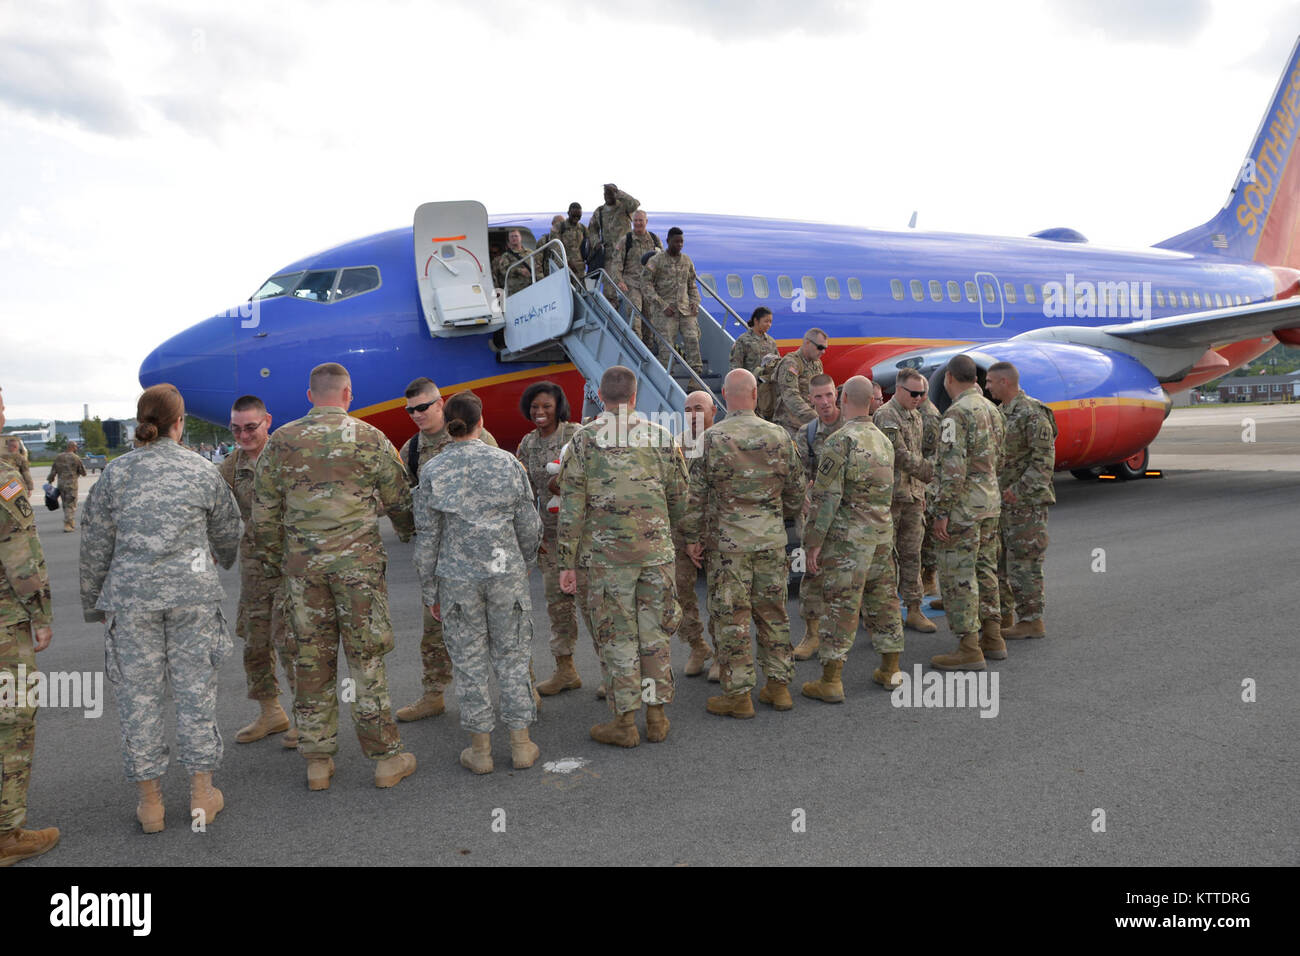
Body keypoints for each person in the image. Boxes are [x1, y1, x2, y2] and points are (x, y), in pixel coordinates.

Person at [80, 383, 242, 832]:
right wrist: (216, 559)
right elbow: (229, 531)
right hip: (191, 597)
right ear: (179, 423)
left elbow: (94, 545)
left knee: (139, 699)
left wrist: (96, 604)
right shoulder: (201, 470)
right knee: (195, 695)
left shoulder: (115, 474)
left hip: (131, 603)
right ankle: (200, 794)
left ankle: (151, 803)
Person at [252, 363, 417, 791]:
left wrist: (279, 562)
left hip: (303, 574)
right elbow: (400, 499)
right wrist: (406, 533)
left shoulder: (281, 441)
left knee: (311, 663)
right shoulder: (370, 438)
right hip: (358, 572)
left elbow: (263, 514)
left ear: (311, 396)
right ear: (348, 394)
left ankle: (318, 763)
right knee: (366, 662)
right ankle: (384, 760)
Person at [557, 366, 687, 747]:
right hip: (655, 555)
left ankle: (625, 723)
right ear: (635, 397)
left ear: (600, 395)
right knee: (654, 635)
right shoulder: (661, 437)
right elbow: (681, 499)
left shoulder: (583, 441)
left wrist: (567, 562)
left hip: (606, 559)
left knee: (617, 638)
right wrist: (676, 538)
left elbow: (571, 507)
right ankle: (657, 715)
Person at [414, 391, 543, 774]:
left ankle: (481, 750)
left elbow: (427, 541)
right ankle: (521, 744)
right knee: (513, 657)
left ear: (448, 423)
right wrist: (524, 565)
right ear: (480, 420)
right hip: (505, 576)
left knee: (469, 663)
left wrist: (430, 591)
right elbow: (529, 527)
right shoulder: (508, 463)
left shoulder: (434, 470)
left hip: (457, 581)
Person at [683, 369, 803, 717]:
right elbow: (796, 493)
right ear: (754, 393)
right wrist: (776, 517)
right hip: (770, 542)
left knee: (732, 619)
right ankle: (779, 688)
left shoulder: (711, 438)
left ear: (723, 394)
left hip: (728, 546)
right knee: (774, 614)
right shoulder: (779, 436)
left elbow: (695, 499)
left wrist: (693, 540)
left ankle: (738, 696)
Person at [395, 377, 500, 722]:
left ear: (440, 404)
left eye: (423, 407)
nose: (416, 415)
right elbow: (406, 502)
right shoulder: (410, 451)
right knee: (434, 631)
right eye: (410, 410)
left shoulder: (479, 437)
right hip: (441, 560)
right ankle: (433, 694)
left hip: (483, 554)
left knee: (498, 627)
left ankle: (521, 688)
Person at [800, 376, 904, 699]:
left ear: (843, 400)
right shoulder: (883, 440)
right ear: (872, 402)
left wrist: (813, 542)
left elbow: (826, 498)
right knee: (885, 600)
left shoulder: (840, 441)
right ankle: (891, 669)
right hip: (882, 535)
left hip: (849, 541)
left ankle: (831, 680)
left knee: (842, 605)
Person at [0, 384, 59, 865]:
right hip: (3, 623)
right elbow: (20, 556)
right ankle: (6, 833)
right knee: (13, 722)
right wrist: (40, 613)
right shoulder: (3, 478)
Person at [220, 395, 298, 747]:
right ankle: (271, 712)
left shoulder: (287, 457)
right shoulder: (230, 466)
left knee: (291, 643)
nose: (244, 435)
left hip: (288, 564)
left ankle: (306, 717)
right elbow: (216, 514)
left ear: (267, 420)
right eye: (236, 428)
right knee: (254, 643)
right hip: (253, 569)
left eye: (251, 427)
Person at [929, 355, 1006, 671]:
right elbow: (1000, 457)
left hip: (963, 509)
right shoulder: (991, 408)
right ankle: (993, 638)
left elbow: (952, 470)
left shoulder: (955, 414)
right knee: (985, 570)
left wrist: (941, 512)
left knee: (959, 576)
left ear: (949, 378)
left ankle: (969, 648)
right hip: (989, 504)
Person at [514, 382, 584, 697]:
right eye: (534, 407)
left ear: (559, 406)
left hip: (585, 535)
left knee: (599, 607)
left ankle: (616, 673)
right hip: (551, 538)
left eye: (546, 406)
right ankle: (566, 669)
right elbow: (523, 492)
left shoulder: (576, 435)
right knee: (558, 605)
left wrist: (565, 483)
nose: (540, 412)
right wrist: (533, 534)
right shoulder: (527, 444)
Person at [986, 362, 1057, 640]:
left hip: (1025, 503)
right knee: (1004, 561)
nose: (987, 386)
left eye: (991, 382)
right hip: (1004, 502)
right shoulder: (1003, 413)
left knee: (1025, 561)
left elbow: (1043, 462)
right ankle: (1008, 615)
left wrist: (1019, 490)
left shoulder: (1032, 413)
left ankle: (1031, 620)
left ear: (1005, 382)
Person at [874, 368, 937, 634]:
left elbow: (918, 451)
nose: (919, 398)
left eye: (923, 393)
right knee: (887, 559)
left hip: (912, 496)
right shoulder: (886, 416)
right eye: (914, 393)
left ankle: (913, 609)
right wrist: (932, 472)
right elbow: (899, 455)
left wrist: (922, 490)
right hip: (891, 499)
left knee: (912, 555)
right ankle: (886, 614)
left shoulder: (915, 416)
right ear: (899, 390)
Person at [792, 373, 843, 661]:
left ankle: (876, 627)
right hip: (818, 513)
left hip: (850, 513)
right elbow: (798, 474)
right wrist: (803, 498)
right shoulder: (807, 433)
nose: (824, 402)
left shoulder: (852, 426)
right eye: (818, 397)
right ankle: (812, 634)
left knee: (866, 574)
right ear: (810, 399)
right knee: (811, 573)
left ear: (837, 394)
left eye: (828, 395)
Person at [674, 390, 718, 679]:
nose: (693, 414)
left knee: (720, 595)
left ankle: (722, 653)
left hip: (716, 530)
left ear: (713, 411)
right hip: (683, 532)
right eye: (688, 409)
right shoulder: (676, 444)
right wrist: (688, 537)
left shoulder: (724, 442)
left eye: (699, 408)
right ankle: (697, 645)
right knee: (680, 593)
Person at [642, 227, 703, 375]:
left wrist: (695, 302)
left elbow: (692, 285)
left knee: (692, 340)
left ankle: (696, 378)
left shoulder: (686, 261)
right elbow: (645, 285)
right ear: (668, 241)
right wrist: (662, 305)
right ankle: (667, 375)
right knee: (666, 347)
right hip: (665, 313)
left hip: (685, 310)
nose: (679, 245)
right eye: (676, 242)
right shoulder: (656, 261)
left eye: (681, 242)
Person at [608, 210, 661, 341]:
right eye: (635, 220)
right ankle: (637, 348)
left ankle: (648, 348)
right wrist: (619, 281)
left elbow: (662, 262)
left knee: (650, 319)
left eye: (640, 221)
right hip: (631, 284)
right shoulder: (626, 240)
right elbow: (616, 263)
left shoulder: (654, 240)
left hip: (649, 285)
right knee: (635, 315)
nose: (637, 223)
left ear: (646, 222)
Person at [773, 329, 829, 437]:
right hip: (790, 426)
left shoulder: (817, 364)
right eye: (820, 347)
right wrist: (816, 418)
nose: (823, 352)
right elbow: (790, 396)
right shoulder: (791, 363)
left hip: (809, 425)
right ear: (807, 343)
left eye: (825, 348)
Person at [919, 395, 942, 600]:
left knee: (928, 535)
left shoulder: (929, 416)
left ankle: (929, 578)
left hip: (928, 481)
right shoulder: (916, 412)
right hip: (920, 478)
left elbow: (930, 453)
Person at [587, 183, 640, 271]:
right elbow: (592, 230)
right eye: (606, 193)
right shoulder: (599, 211)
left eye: (610, 192)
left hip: (626, 255)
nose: (608, 195)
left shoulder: (624, 207)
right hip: (608, 258)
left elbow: (634, 205)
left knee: (627, 283)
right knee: (609, 283)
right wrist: (596, 243)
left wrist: (618, 192)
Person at [48, 441, 86, 532]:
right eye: (76, 447)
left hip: (61, 484)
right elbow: (83, 472)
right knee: (71, 504)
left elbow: (53, 472)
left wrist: (50, 481)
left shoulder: (59, 457)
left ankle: (71, 521)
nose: (76, 449)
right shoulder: (75, 458)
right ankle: (68, 524)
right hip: (71, 485)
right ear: (73, 447)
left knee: (65, 504)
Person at [730, 307, 778, 374]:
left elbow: (777, 364)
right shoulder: (743, 341)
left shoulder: (771, 342)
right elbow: (735, 367)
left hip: (767, 383)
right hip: (748, 382)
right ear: (756, 321)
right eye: (766, 321)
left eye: (770, 322)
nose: (769, 325)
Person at [493, 229, 536, 296]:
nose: (514, 238)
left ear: (520, 238)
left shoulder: (530, 252)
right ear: (509, 239)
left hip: (530, 288)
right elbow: (504, 271)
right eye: (512, 236)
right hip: (515, 292)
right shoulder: (506, 256)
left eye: (516, 236)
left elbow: (537, 266)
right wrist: (520, 271)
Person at [558, 203, 588, 277]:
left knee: (580, 288)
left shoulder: (583, 228)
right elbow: (556, 247)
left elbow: (589, 245)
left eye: (578, 216)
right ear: (568, 213)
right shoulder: (560, 227)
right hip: (563, 267)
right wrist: (567, 262)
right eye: (573, 215)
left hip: (579, 269)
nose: (576, 218)